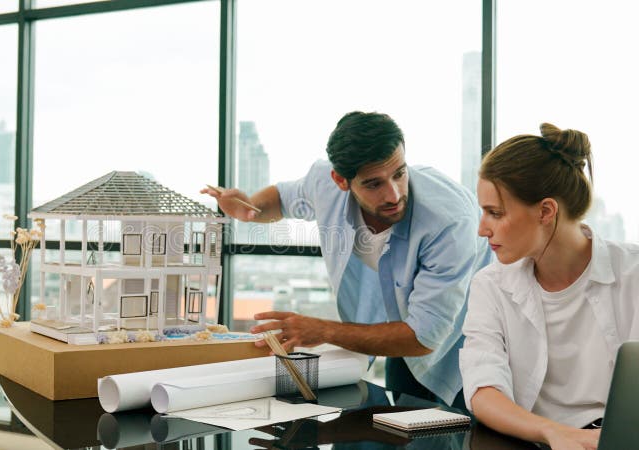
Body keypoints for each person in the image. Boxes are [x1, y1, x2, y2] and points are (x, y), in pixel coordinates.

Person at [202, 111, 491, 408]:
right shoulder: (324, 183)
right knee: (396, 426)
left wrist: (322, 330)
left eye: (400, 174)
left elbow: (423, 337)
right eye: (374, 184)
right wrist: (251, 208)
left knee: (455, 435)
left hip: (463, 344)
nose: (393, 195)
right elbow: (284, 198)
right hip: (402, 329)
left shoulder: (449, 221)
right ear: (341, 180)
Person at [459, 123, 639, 449]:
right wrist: (554, 433)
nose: (482, 229)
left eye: (494, 213)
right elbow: (484, 390)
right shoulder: (490, 285)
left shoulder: (633, 274)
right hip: (532, 441)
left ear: (546, 211)